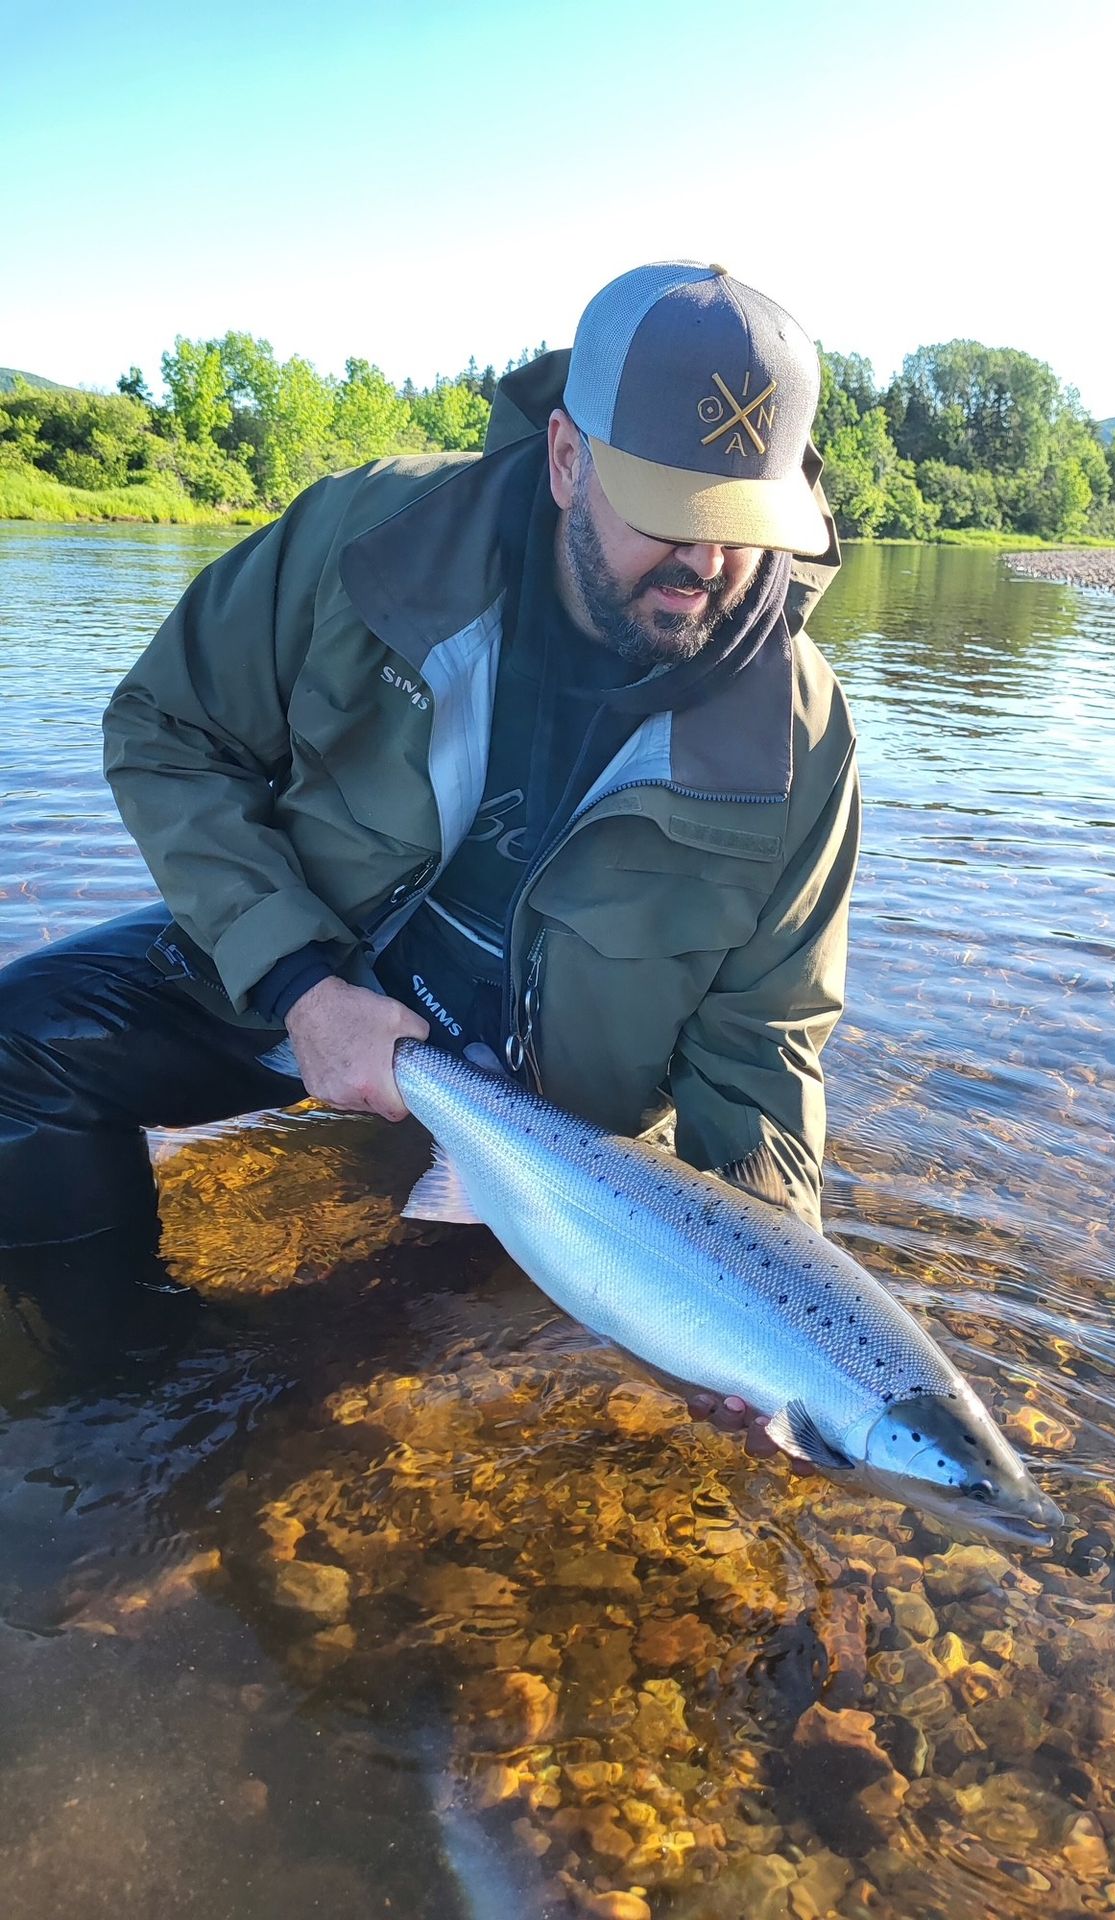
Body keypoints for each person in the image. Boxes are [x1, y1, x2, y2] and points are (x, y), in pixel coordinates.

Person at [0, 264, 859, 1455]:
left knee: (344, 1387)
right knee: (19, 1055)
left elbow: (764, 1042)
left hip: (553, 1129)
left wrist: (761, 1316)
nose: (708, 562)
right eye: (669, 509)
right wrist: (299, 984)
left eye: (745, 525)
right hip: (317, 982)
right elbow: (166, 731)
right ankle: (115, 1404)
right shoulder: (375, 543)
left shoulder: (798, 739)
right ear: (567, 457)